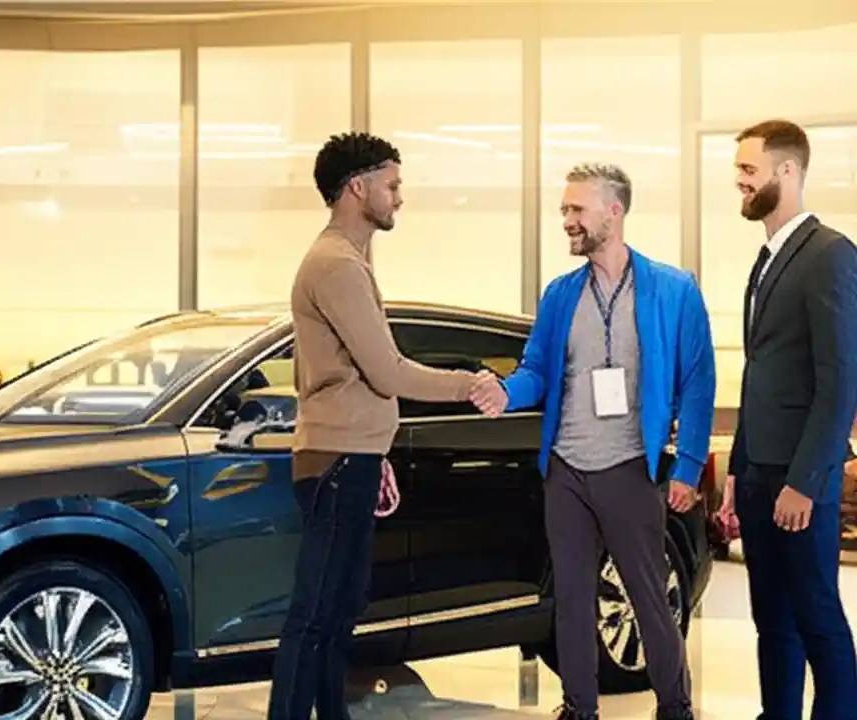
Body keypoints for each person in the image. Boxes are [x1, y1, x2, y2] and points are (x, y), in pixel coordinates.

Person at [471, 162, 714, 720]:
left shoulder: (672, 291)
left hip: (631, 467)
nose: (567, 221)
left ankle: (674, 706)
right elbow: (536, 369)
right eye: (563, 210)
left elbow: (698, 382)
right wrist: (505, 393)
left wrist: (688, 467)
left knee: (650, 598)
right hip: (567, 470)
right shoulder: (560, 295)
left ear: (614, 211)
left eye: (576, 210)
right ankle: (579, 707)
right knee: (572, 601)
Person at [267, 131, 481, 720]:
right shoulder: (336, 265)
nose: (399, 198)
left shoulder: (344, 261)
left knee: (338, 609)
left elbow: (352, 378)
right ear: (357, 188)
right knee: (316, 613)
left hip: (348, 455)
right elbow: (387, 372)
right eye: (392, 185)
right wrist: (467, 384)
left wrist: (375, 450)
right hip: (336, 461)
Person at [720, 119, 857, 720]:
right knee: (770, 620)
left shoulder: (830, 254)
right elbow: (762, 375)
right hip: (758, 477)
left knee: (817, 617)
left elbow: (839, 382)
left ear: (787, 172)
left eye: (748, 172)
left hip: (801, 480)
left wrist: (804, 480)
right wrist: (736, 470)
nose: (740, 184)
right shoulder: (767, 258)